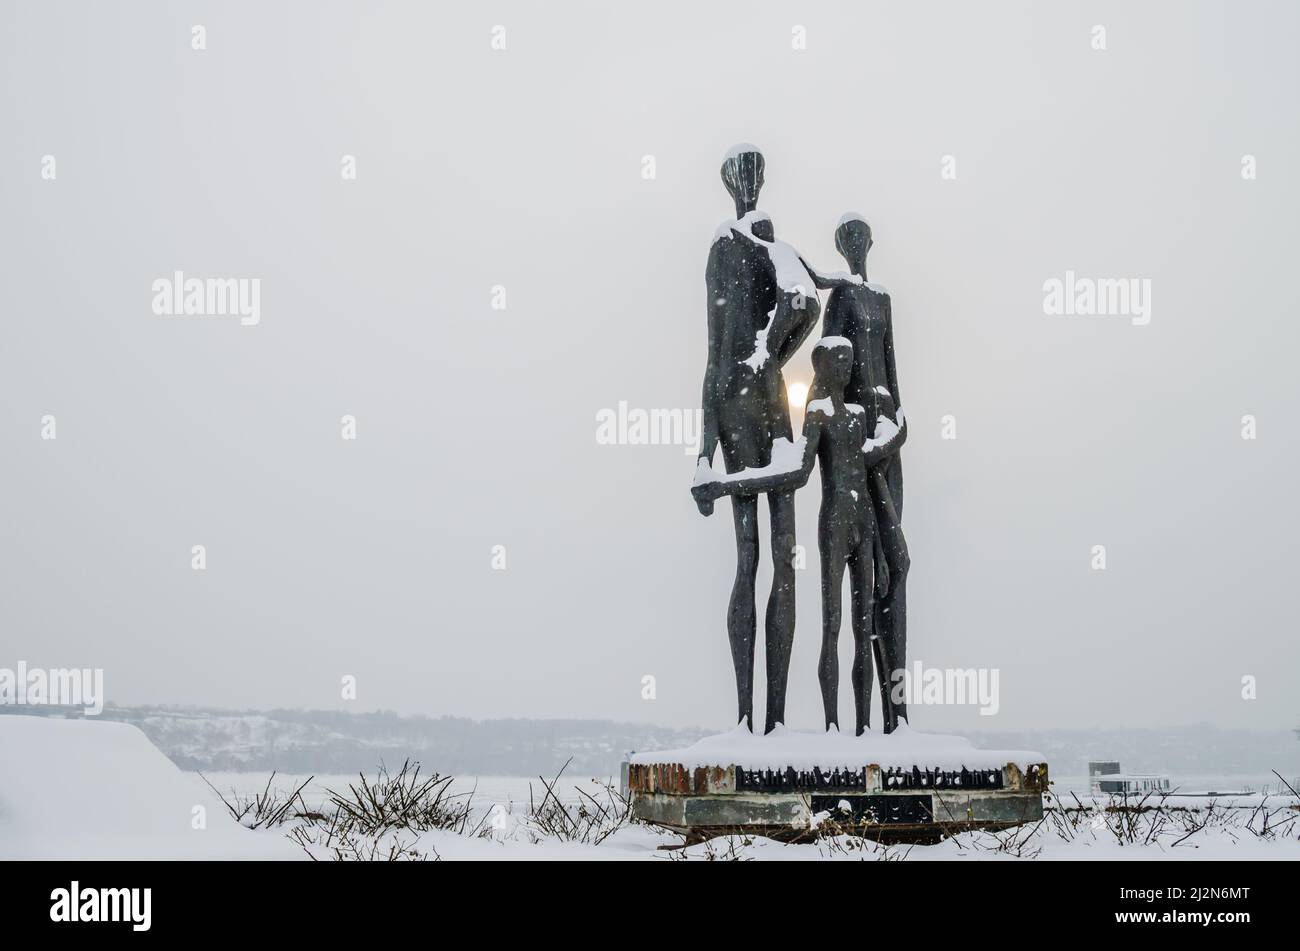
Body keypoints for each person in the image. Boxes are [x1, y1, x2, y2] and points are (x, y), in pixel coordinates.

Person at [693, 337, 907, 735]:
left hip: (863, 521)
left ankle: (862, 729)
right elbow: (797, 473)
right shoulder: (817, 414)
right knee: (833, 623)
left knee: (863, 629)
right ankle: (832, 726)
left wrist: (902, 427)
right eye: (838, 361)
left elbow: (875, 455)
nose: (846, 367)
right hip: (836, 521)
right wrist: (727, 484)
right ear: (822, 367)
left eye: (849, 360)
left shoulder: (858, 415)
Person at [695, 144, 821, 734]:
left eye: (754, 173)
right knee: (759, 558)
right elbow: (718, 345)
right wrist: (703, 453)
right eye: (740, 173)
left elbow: (804, 301)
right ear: (730, 182)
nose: (748, 182)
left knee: (774, 558)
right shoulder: (733, 244)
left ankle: (767, 721)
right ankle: (753, 719)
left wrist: (772, 350)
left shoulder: (759, 243)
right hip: (749, 396)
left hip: (752, 393)